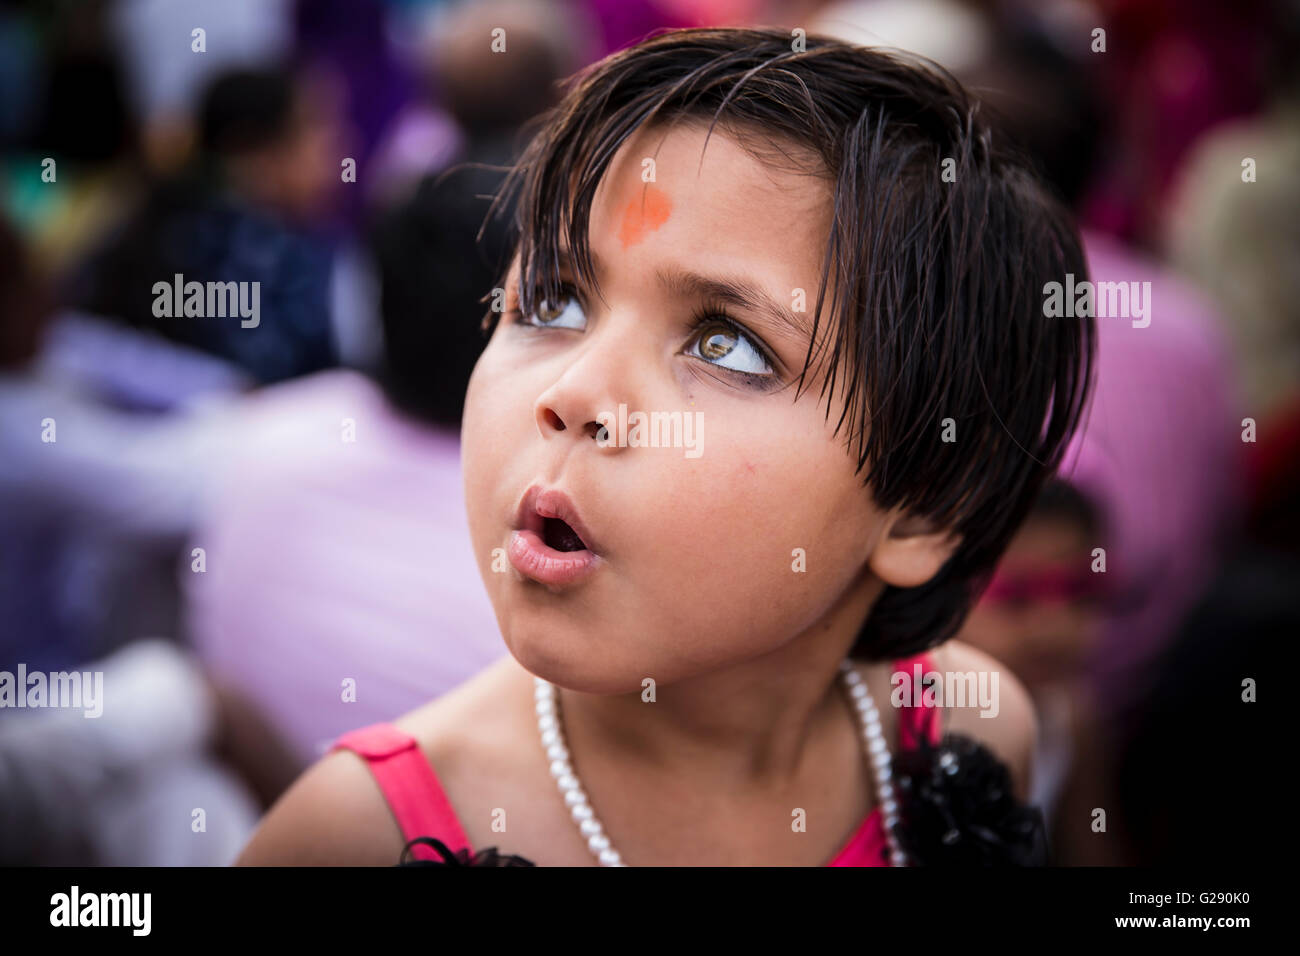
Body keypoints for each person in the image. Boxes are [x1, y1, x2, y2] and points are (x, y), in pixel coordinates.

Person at [237, 27, 1093, 867]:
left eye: (725, 345)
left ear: (926, 503)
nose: (569, 396)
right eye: (551, 301)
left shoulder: (966, 741)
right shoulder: (356, 839)